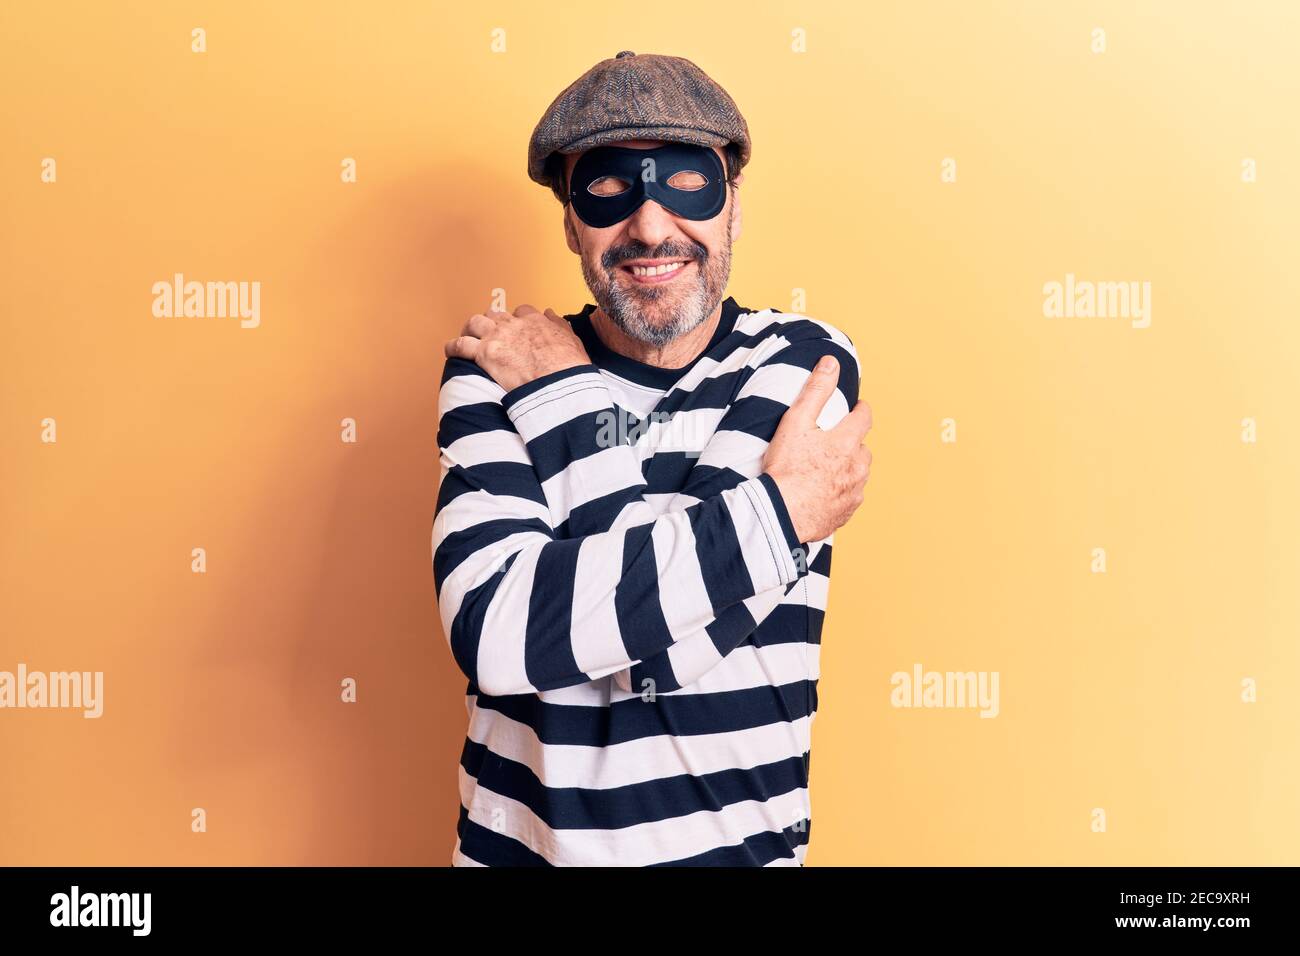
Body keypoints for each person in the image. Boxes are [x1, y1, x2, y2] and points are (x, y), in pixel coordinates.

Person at [432, 51, 872, 866]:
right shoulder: (499, 366)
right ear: (570, 221)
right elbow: (495, 633)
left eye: (685, 184)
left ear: (732, 204)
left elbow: (657, 661)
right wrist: (776, 517)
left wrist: (562, 398)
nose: (650, 227)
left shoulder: (800, 365)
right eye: (607, 189)